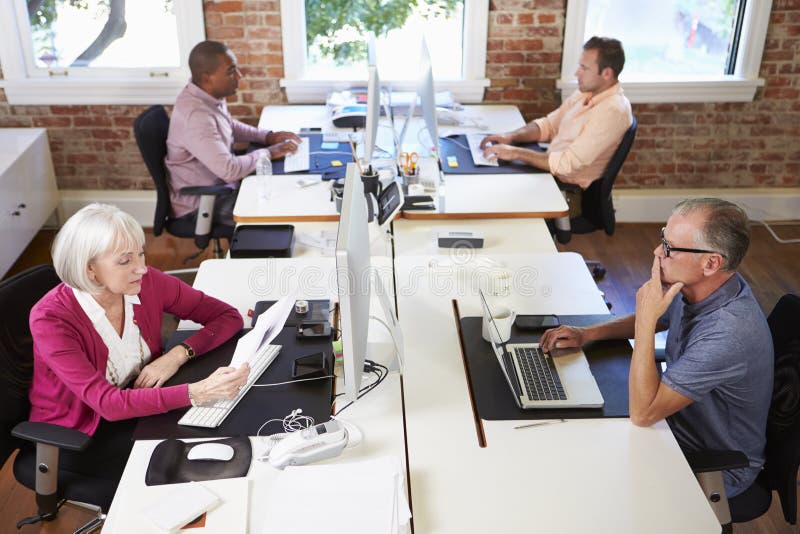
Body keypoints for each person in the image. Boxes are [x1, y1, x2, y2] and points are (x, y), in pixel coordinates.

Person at [539, 198, 773, 500]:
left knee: (580, 482)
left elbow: (643, 412)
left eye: (670, 249)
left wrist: (646, 322)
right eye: (663, 239)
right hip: (671, 423)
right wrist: (587, 333)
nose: (657, 252)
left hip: (710, 463)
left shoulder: (728, 333)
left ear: (711, 263)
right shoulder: (702, 286)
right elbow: (660, 316)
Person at [28, 203, 249, 494]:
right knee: (189, 483)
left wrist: (177, 354)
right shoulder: (51, 319)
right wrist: (197, 392)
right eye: (125, 260)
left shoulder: (145, 282)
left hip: (142, 402)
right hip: (84, 432)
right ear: (89, 270)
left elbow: (227, 317)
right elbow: (106, 404)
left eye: (141, 253)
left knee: (234, 440)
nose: (141, 268)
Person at [165, 40, 302, 225]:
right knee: (278, 206)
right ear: (207, 78)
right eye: (231, 71)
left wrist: (267, 136)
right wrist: (269, 153)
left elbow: (229, 125)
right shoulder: (195, 116)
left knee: (281, 186)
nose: (239, 76)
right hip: (203, 205)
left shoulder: (206, 95)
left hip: (221, 184)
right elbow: (229, 170)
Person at [480, 36, 632, 190]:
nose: (576, 73)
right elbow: (549, 126)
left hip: (565, 190)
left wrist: (516, 153)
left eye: (584, 68)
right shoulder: (587, 92)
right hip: (549, 172)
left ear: (606, 73)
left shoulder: (613, 111)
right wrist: (510, 137)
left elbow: (566, 165)